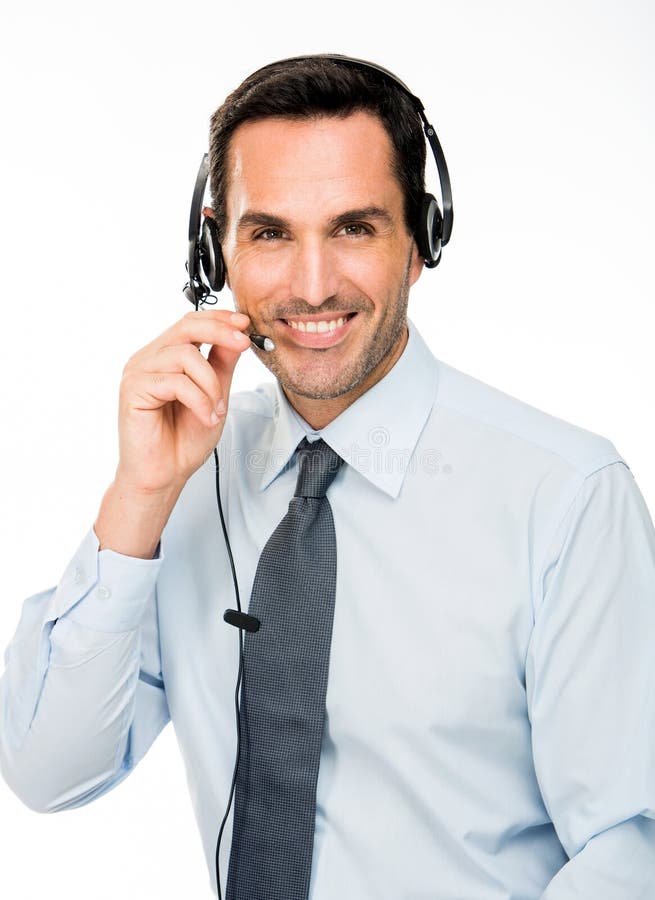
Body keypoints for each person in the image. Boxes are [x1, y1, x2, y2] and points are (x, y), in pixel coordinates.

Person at [1, 54, 654, 900]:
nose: (311, 287)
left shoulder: (565, 497)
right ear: (216, 248)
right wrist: (138, 500)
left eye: (354, 227)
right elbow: (48, 770)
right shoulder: (190, 476)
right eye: (270, 233)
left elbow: (627, 845)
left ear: (421, 240)